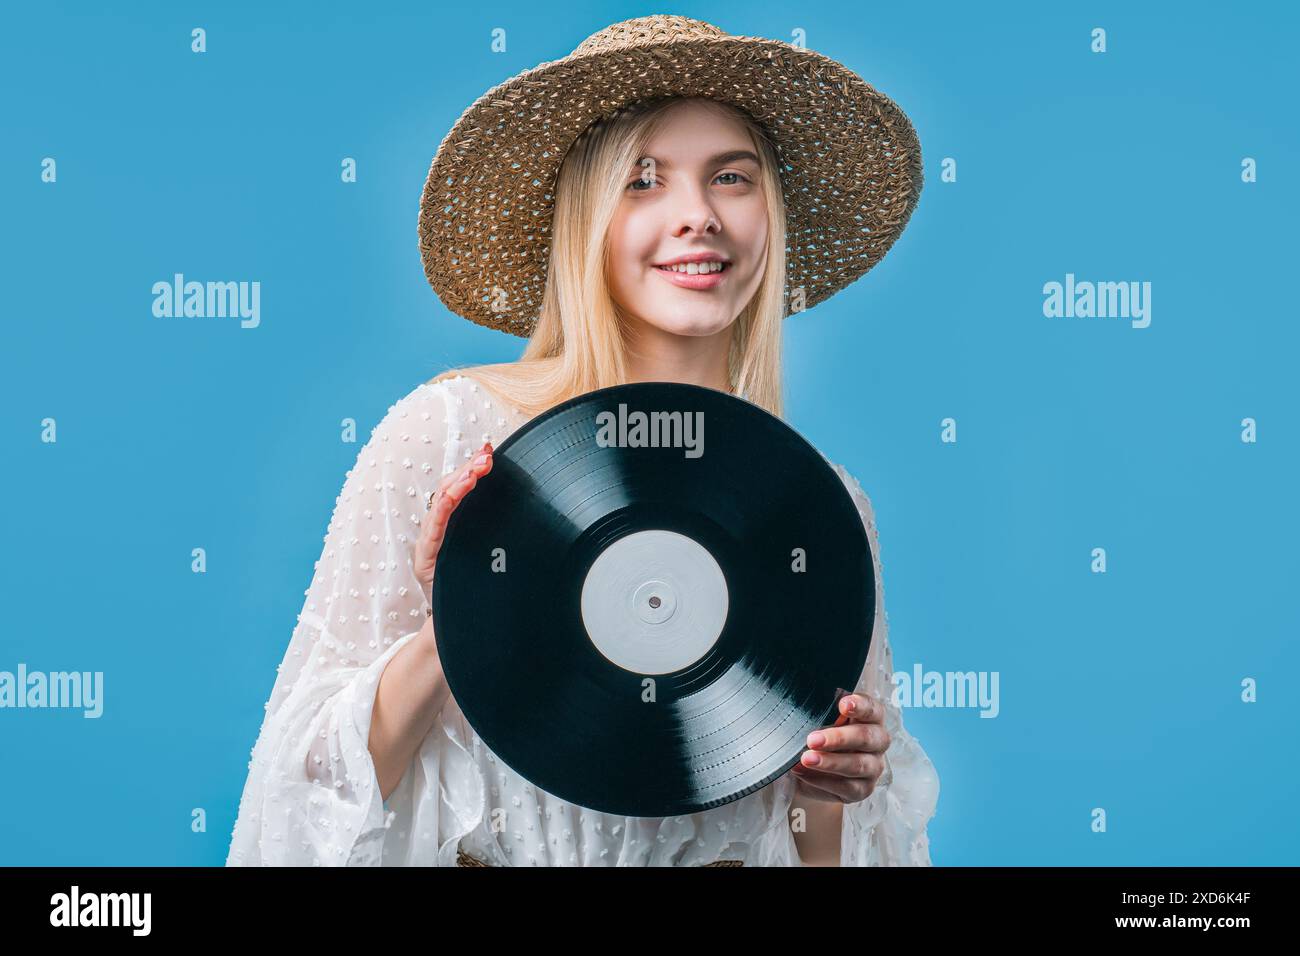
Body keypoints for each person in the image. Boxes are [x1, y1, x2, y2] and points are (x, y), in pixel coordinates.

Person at [226, 15, 939, 867]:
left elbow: (815, 850)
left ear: (769, 213)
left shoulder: (820, 501)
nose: (698, 217)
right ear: (586, 219)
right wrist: (458, 617)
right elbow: (302, 795)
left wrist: (827, 800)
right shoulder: (452, 432)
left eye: (732, 178)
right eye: (644, 180)